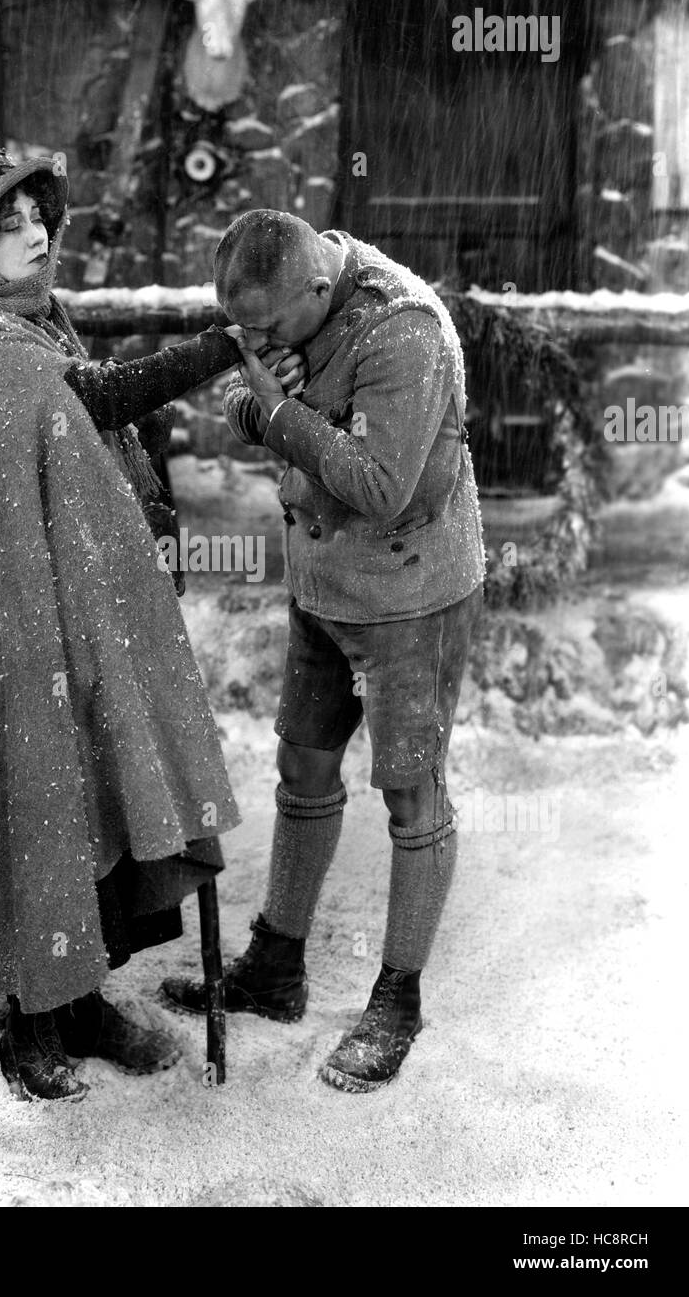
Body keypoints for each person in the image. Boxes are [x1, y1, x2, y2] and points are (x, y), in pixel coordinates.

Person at [0, 145, 304, 1103]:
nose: (34, 236)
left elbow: (88, 416)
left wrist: (152, 491)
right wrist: (212, 348)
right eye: (4, 226)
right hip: (10, 626)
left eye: (35, 218)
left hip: (63, 607)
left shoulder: (30, 322)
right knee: (33, 791)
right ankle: (33, 1017)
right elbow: (89, 402)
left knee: (79, 786)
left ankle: (79, 995)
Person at [161, 208, 486, 1092]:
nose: (251, 340)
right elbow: (247, 407)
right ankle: (276, 969)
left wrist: (275, 410)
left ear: (315, 286)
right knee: (302, 770)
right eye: (241, 326)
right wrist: (260, 400)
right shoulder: (293, 295)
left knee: (410, 791)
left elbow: (378, 487)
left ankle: (398, 998)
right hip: (321, 587)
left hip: (408, 594)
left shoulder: (402, 330)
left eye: (267, 326)